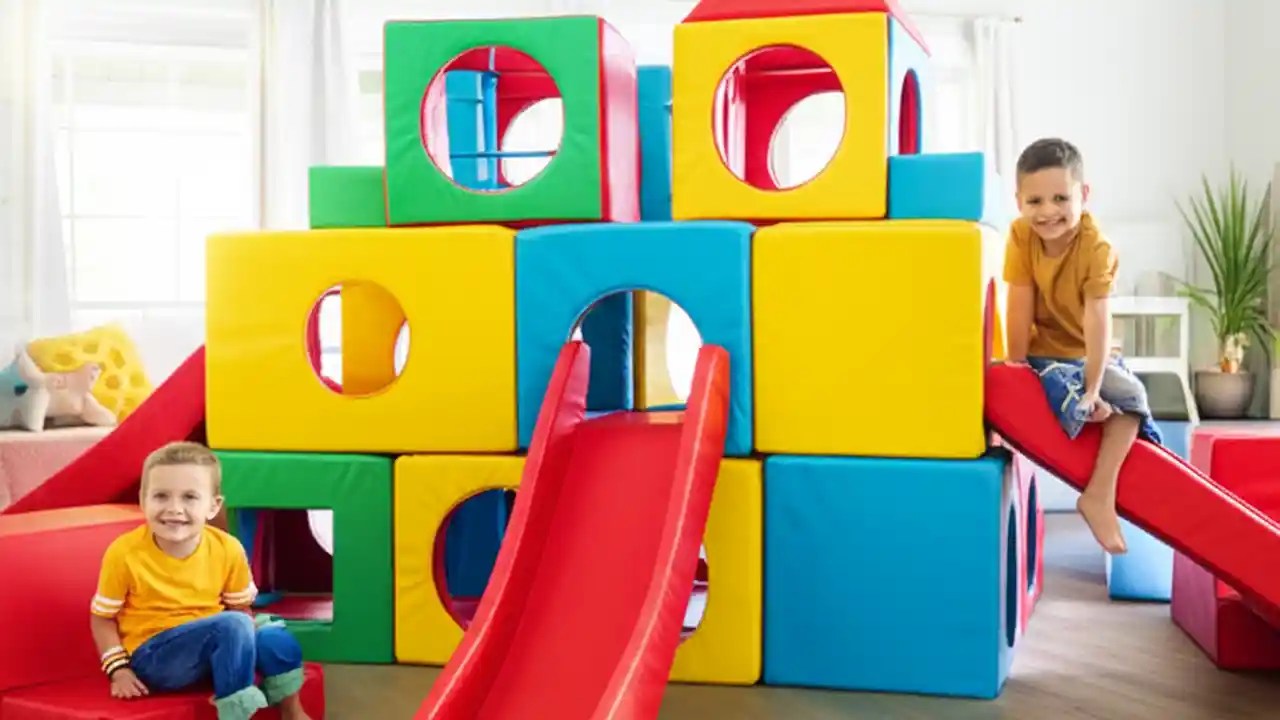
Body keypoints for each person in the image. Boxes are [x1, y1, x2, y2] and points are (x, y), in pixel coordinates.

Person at [1002, 137, 1163, 556]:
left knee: (1132, 397)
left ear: (1083, 195)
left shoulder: (1096, 248)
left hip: (1088, 353)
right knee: (1062, 387)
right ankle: (1082, 405)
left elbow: (1097, 322)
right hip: (1044, 353)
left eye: (1060, 198)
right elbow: (1018, 305)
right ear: (1019, 201)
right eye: (1035, 201)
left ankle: (1099, 494)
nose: (1047, 211)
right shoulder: (1021, 235)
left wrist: (1093, 388)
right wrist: (1016, 369)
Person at [89, 441, 312, 720]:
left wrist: (246, 644)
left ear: (213, 506)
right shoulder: (124, 553)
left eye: (190, 497)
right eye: (160, 496)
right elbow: (102, 618)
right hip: (155, 657)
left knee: (274, 637)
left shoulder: (227, 548)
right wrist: (118, 670)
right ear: (143, 500)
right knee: (235, 624)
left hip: (212, 647)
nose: (174, 508)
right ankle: (235, 714)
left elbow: (240, 609)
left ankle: (293, 713)